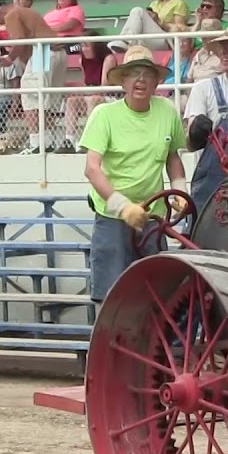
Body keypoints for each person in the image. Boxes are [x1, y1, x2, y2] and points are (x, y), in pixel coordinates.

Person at [79, 46, 188, 304]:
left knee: (159, 295)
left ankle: (154, 344)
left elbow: (173, 157)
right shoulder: (104, 114)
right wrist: (122, 207)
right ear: (123, 81)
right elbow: (92, 168)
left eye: (147, 74)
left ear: (156, 82)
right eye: (133, 74)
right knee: (111, 296)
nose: (140, 80)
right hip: (113, 217)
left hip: (152, 216)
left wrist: (181, 190)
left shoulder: (168, 111)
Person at [183, 24, 228, 213]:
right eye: (222, 48)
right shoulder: (204, 89)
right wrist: (196, 131)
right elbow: (190, 143)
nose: (223, 52)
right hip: (212, 190)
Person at [4, 2, 67, 154]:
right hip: (59, 51)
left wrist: (9, 58)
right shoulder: (31, 13)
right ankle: (48, 140)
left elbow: (19, 40)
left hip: (42, 51)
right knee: (48, 100)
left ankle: (36, 143)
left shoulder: (11, 14)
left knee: (31, 94)